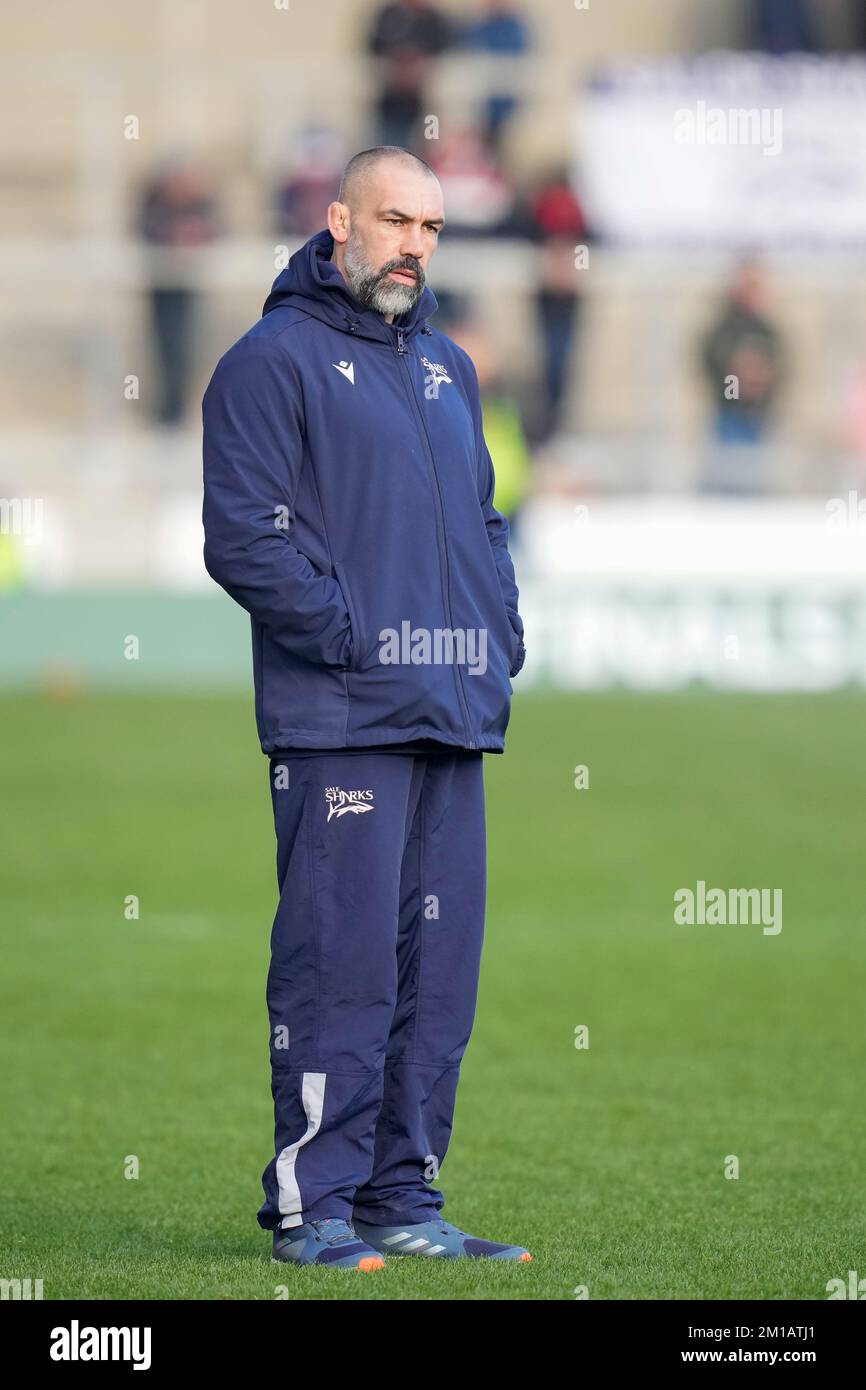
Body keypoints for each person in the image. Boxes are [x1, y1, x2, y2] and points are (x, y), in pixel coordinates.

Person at [202, 146, 529, 1271]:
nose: (413, 246)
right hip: (340, 720)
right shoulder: (270, 359)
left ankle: (403, 1196)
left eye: (431, 229)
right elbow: (243, 536)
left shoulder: (446, 365)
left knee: (436, 982)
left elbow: (484, 522)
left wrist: (498, 634)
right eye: (394, 221)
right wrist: (349, 639)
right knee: (339, 967)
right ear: (338, 219)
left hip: (450, 712)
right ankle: (314, 1207)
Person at [139, 159, 220, 426]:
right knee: (165, 346)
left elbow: (216, 230)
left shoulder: (202, 203)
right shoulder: (155, 201)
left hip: (191, 286)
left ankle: (181, 408)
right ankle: (168, 410)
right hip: (162, 287)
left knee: (190, 346)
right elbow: (146, 229)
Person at [700, 262, 785, 493]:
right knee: (726, 474)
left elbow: (781, 367)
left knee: (754, 476)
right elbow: (713, 360)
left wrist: (762, 380)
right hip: (728, 413)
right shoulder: (725, 326)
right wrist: (738, 373)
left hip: (757, 415)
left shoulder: (766, 329)